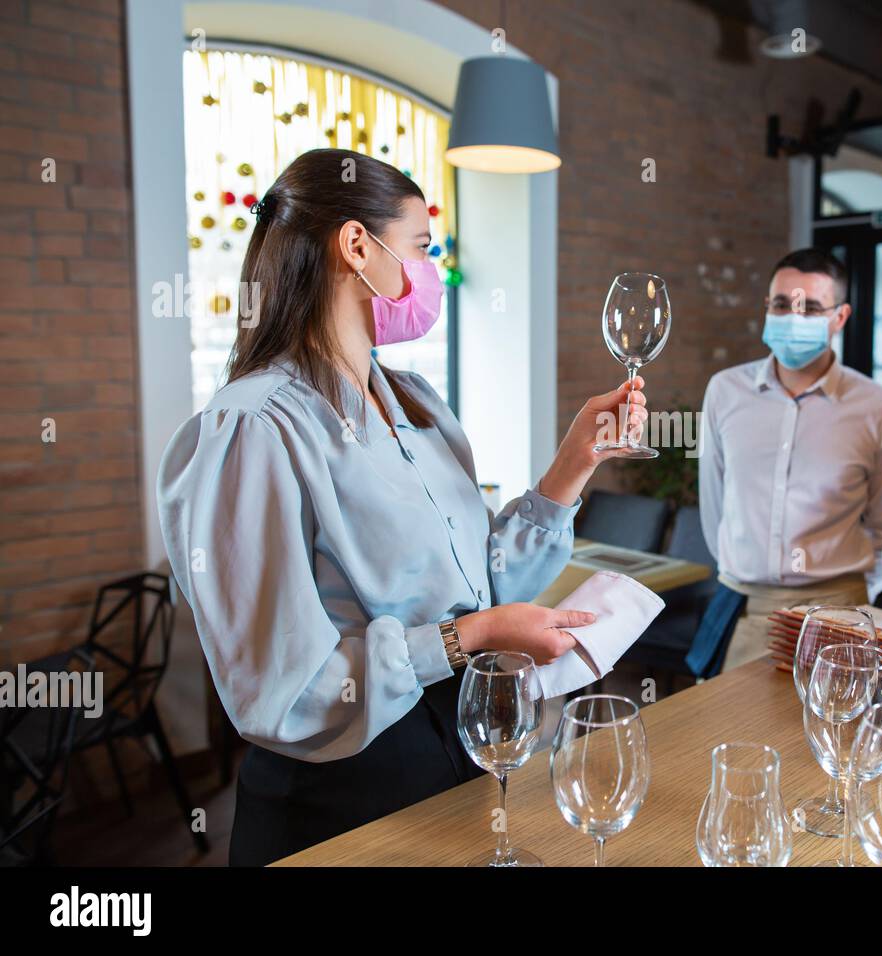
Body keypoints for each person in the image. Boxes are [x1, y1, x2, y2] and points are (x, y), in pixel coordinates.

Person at [156, 148, 648, 866]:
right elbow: (281, 691)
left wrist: (574, 462)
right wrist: (470, 637)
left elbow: (489, 584)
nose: (433, 272)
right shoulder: (254, 425)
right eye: (422, 247)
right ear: (358, 245)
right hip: (340, 792)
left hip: (457, 757)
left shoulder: (416, 399)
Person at [690, 248, 882, 675]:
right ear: (765, 308)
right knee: (728, 738)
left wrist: (853, 598)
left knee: (833, 735)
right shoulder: (725, 391)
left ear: (840, 318)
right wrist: (746, 566)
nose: (793, 316)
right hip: (745, 607)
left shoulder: (878, 407)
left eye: (810, 307)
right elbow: (714, 500)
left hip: (839, 612)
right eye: (781, 304)